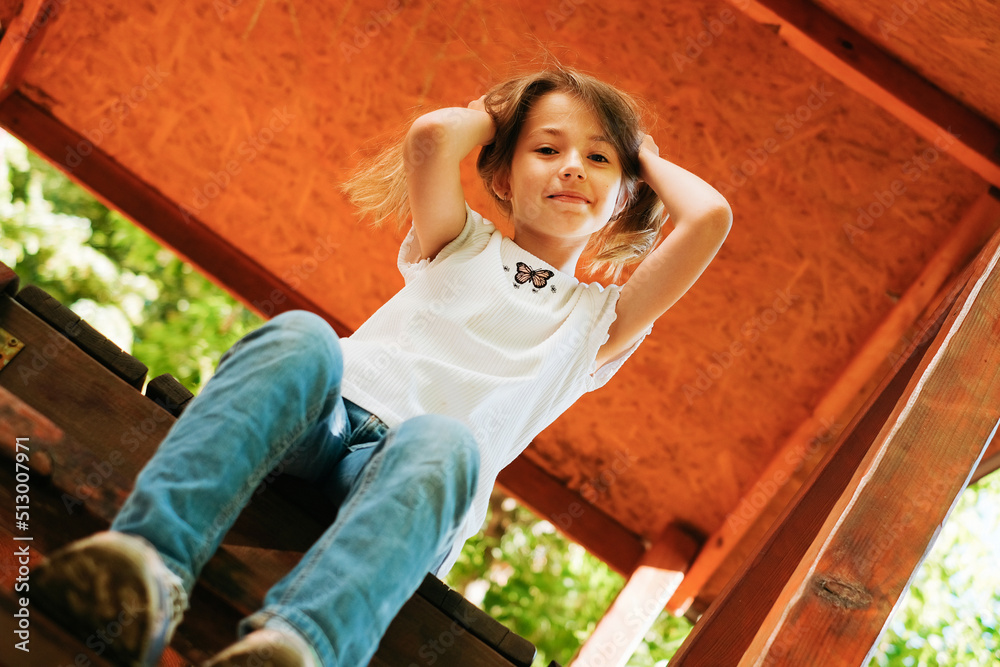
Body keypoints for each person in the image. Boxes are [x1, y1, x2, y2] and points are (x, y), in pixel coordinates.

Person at [32, 66, 732, 667]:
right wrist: (500, 115)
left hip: (415, 479)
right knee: (304, 335)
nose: (572, 165)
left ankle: (298, 646)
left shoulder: (598, 321)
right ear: (502, 170)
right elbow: (432, 136)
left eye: (599, 158)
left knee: (447, 439)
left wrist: (640, 155)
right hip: (323, 422)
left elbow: (709, 219)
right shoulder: (461, 242)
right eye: (546, 148)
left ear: (625, 194)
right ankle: (145, 565)